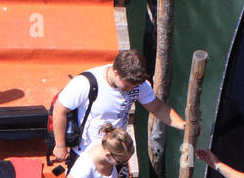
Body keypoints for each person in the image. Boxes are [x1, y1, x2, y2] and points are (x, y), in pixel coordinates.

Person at [51, 50, 183, 166]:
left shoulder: (137, 85)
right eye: (126, 86)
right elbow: (59, 109)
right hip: (86, 152)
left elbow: (158, 108)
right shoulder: (85, 83)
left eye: (134, 86)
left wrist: (184, 125)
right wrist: (60, 145)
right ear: (115, 72)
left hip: (117, 153)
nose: (131, 89)